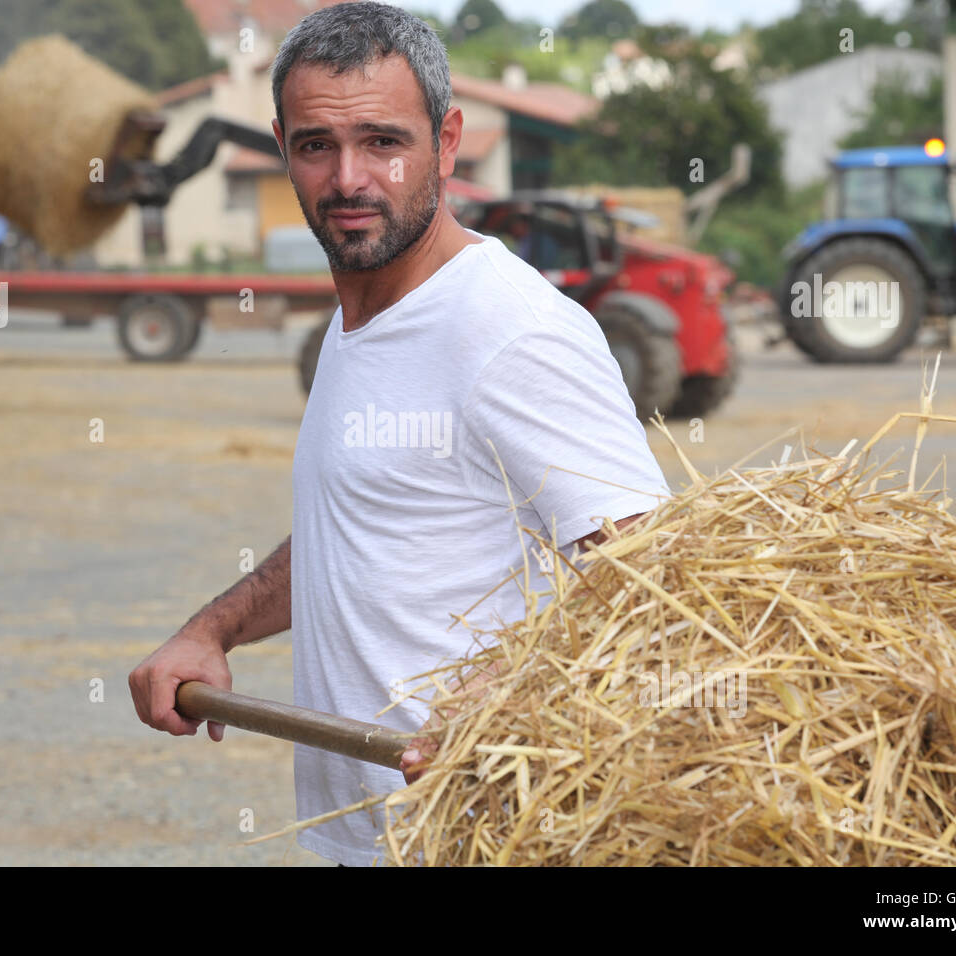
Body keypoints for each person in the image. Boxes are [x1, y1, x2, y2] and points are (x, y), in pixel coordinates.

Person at [128, 1, 670, 868]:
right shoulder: (366, 317)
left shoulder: (509, 331)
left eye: (384, 142)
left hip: (484, 841)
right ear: (282, 147)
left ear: (446, 142)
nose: (349, 178)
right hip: (369, 842)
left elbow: (656, 580)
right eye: (316, 146)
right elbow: (367, 530)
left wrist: (493, 704)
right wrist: (213, 629)